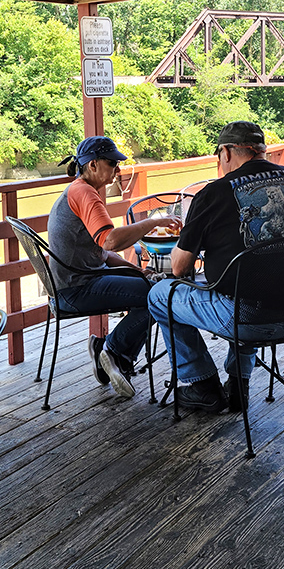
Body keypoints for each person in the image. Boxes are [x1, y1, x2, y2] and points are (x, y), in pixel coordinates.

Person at [148, 121, 284, 414]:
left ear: (227, 152)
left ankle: (202, 385)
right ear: (261, 151)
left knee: (160, 294)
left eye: (218, 156)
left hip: (250, 320)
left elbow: (181, 268)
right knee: (251, 281)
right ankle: (237, 386)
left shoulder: (213, 193)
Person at [48, 136, 182, 399]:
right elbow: (110, 239)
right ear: (94, 165)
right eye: (112, 163)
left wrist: (137, 271)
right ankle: (113, 353)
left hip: (75, 281)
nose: (118, 170)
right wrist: (155, 222)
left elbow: (103, 252)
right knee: (159, 296)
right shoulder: (85, 193)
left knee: (149, 286)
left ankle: (107, 351)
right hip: (76, 289)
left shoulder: (78, 189)